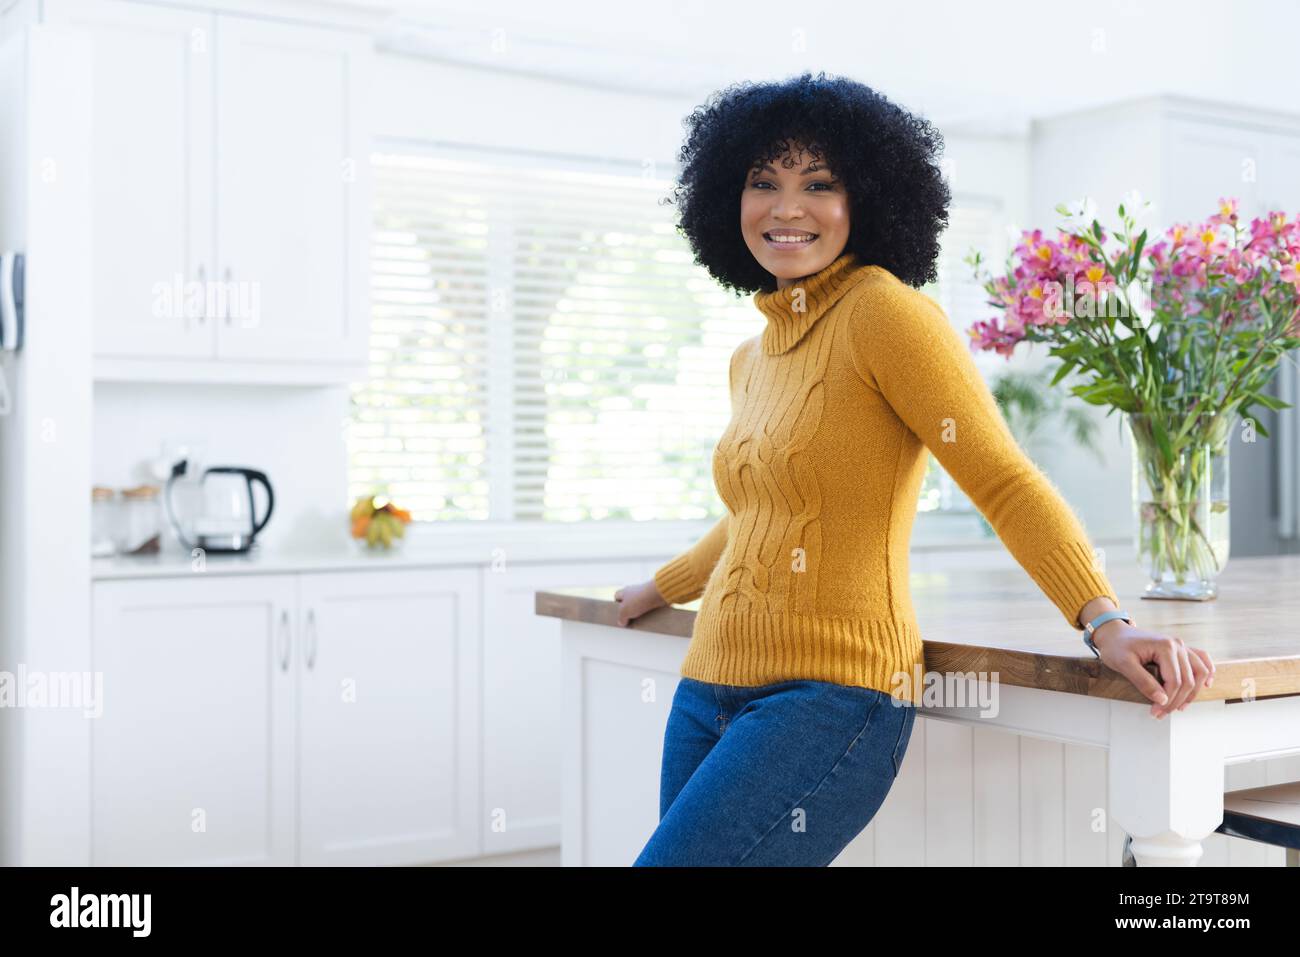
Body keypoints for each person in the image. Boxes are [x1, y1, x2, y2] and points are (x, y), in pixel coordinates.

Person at [615, 72, 1215, 867]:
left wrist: (1104, 620)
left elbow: (1000, 477)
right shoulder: (751, 356)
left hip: (829, 698)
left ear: (867, 197)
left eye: (818, 183)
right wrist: (659, 588)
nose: (786, 207)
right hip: (706, 689)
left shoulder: (884, 313)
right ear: (729, 197)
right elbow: (759, 511)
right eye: (764, 182)